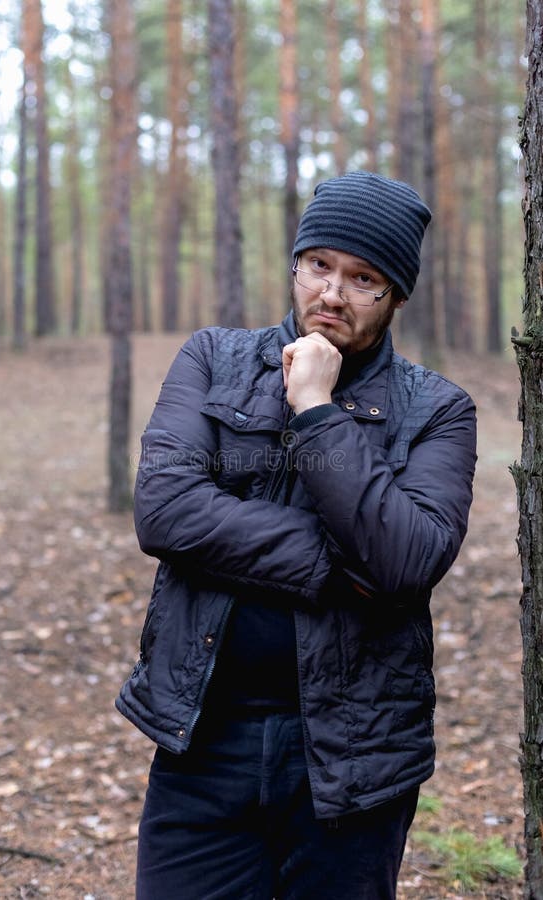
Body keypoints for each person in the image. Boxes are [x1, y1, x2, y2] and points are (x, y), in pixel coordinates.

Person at [116, 171, 477, 900]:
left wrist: (315, 410)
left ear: (396, 296)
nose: (332, 294)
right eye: (319, 265)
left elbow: (408, 559)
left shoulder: (438, 410)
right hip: (204, 740)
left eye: (363, 277)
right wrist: (344, 564)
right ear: (295, 266)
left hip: (352, 757)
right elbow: (165, 509)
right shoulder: (214, 359)